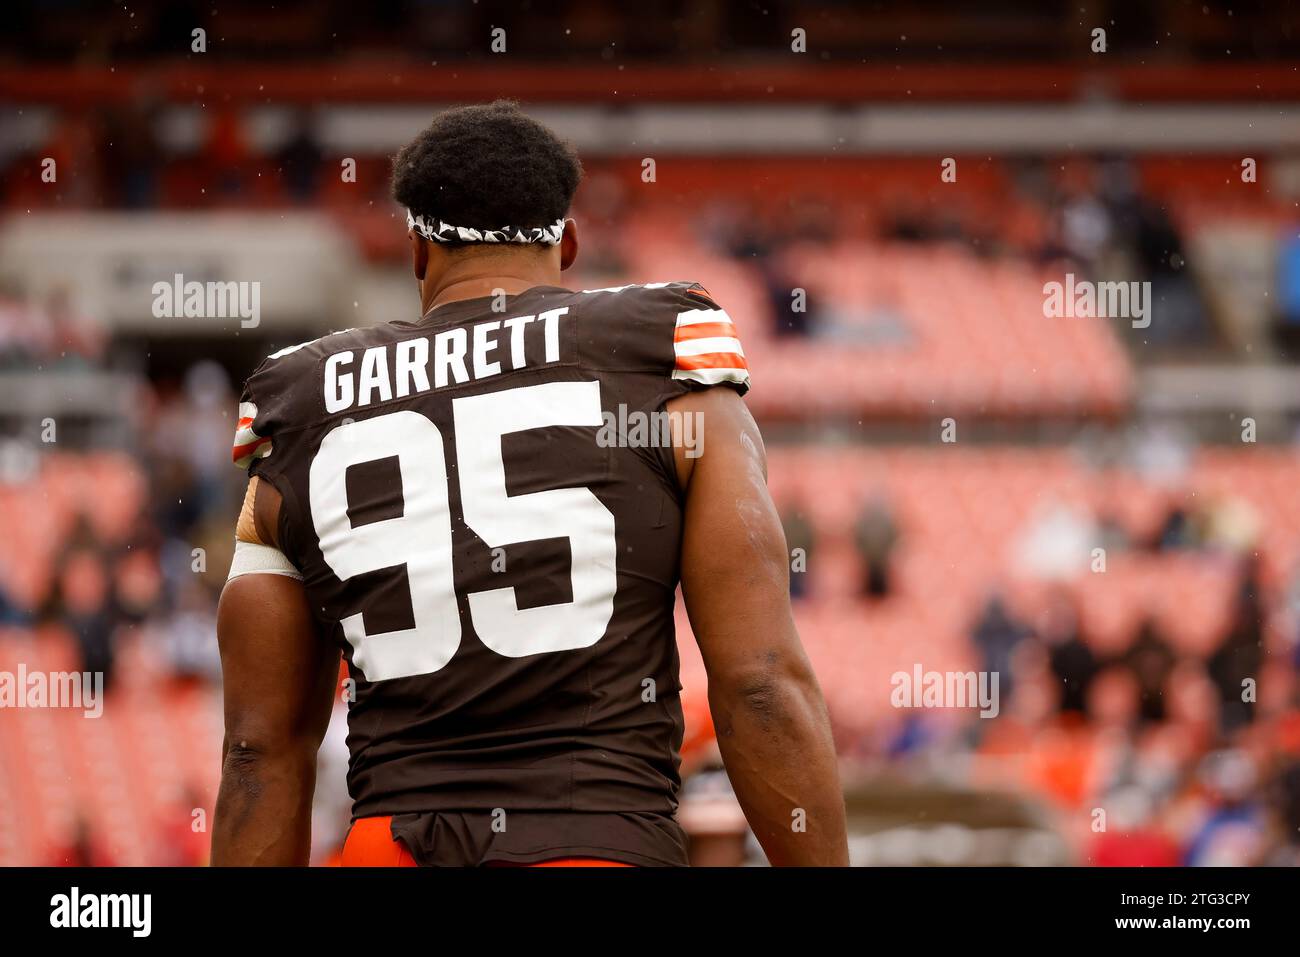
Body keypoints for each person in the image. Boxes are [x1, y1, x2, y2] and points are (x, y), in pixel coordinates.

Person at [211, 101, 847, 867]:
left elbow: (258, 751)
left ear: (417, 252)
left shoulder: (300, 404)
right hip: (596, 845)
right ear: (568, 242)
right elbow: (760, 683)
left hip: (392, 848)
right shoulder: (664, 360)